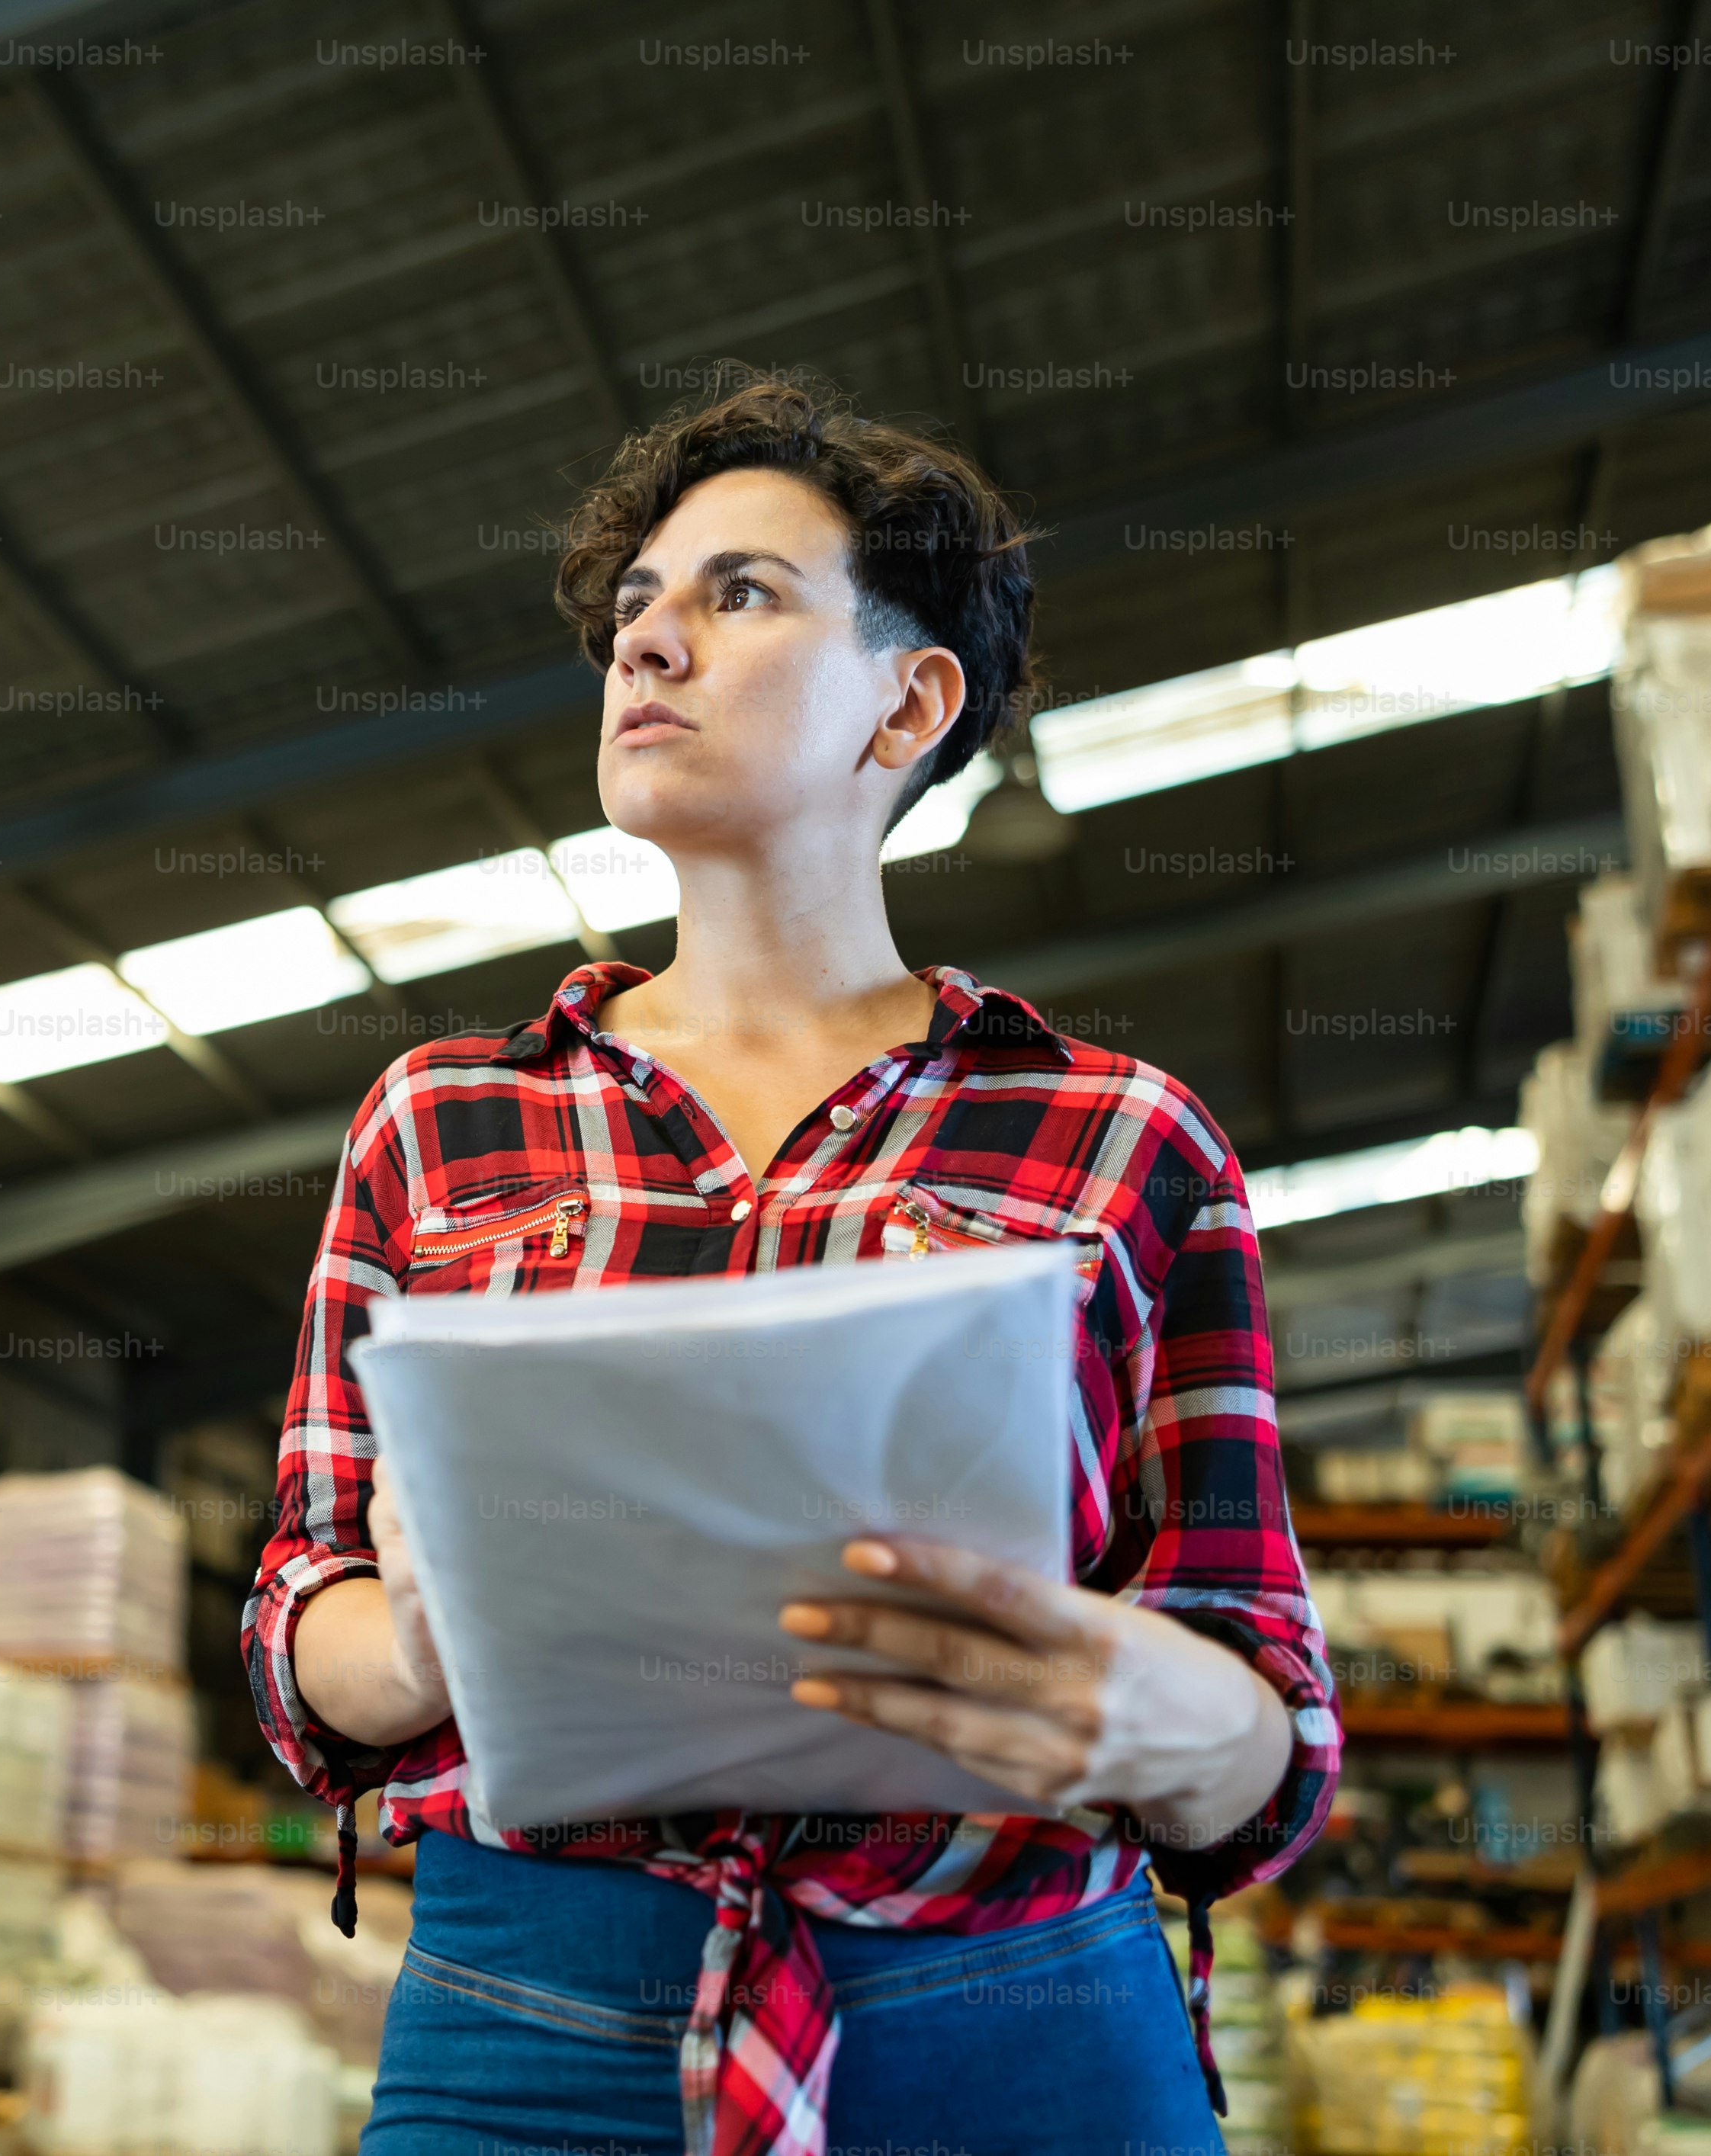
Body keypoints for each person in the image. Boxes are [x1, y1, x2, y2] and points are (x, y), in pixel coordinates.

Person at [242, 373, 1338, 2156]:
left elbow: (1263, 1716)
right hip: (536, 2020)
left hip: (1023, 2015)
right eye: (632, 609)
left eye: (740, 594)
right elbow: (301, 1620)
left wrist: (1168, 1721)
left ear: (910, 699)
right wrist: (425, 1644)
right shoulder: (437, 1123)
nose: (649, 645)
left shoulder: (1126, 1141)